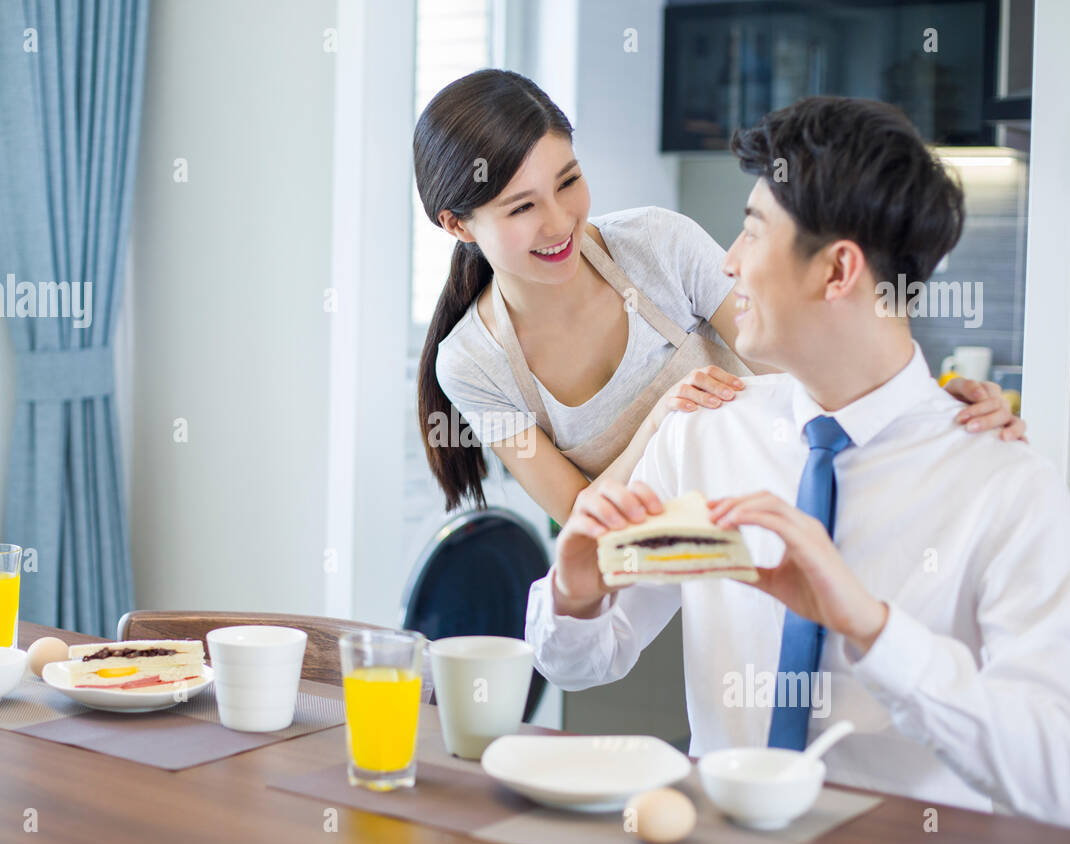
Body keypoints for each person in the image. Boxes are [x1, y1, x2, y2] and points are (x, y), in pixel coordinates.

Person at [525, 96, 1070, 827]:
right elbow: (582, 662)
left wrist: (872, 628)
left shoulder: (1003, 484)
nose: (729, 262)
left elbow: (1069, 781)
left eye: (750, 232)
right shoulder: (705, 432)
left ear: (838, 272)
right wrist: (576, 595)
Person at [413, 69, 1025, 525]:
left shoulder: (657, 244)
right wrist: (661, 418)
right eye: (522, 207)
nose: (560, 221)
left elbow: (805, 361)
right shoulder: (471, 363)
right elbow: (579, 514)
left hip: (779, 509)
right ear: (458, 224)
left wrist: (930, 408)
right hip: (649, 563)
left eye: (568, 181)